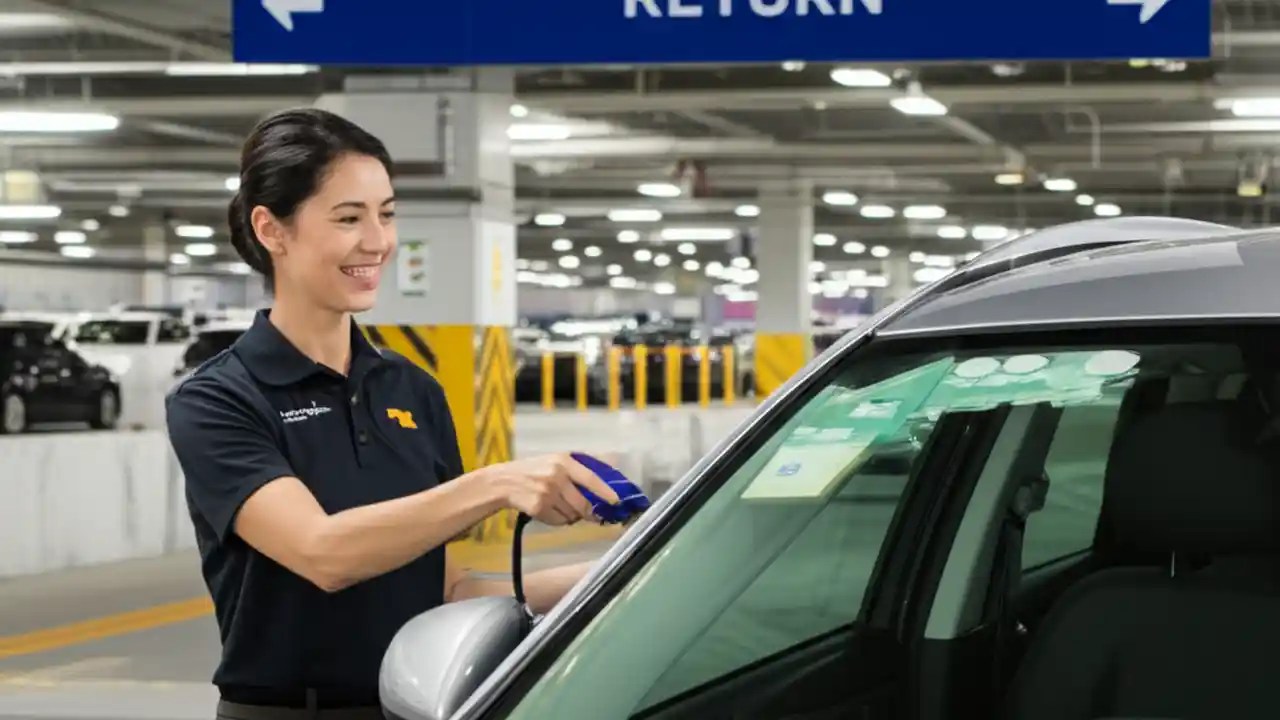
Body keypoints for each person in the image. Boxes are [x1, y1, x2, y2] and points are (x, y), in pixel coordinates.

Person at [165, 107, 621, 720]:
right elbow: (323, 553)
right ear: (272, 229)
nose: (378, 241)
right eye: (348, 218)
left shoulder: (412, 390)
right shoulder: (219, 400)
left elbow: (448, 590)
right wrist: (496, 484)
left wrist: (625, 569)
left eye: (386, 214)